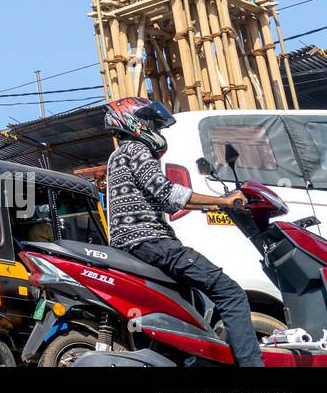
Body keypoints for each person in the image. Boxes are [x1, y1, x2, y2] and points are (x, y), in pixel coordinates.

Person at [103, 97, 262, 366]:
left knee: (186, 304)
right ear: (135, 122)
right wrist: (223, 200)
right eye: (153, 123)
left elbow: (162, 201)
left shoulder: (117, 156)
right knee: (230, 292)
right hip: (151, 242)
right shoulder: (136, 149)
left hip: (131, 246)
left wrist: (211, 206)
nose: (158, 130)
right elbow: (167, 191)